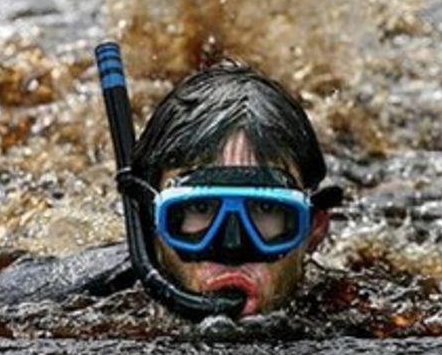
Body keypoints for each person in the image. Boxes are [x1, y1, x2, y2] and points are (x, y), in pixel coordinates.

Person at [125, 60, 340, 317]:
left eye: (265, 208)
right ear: (148, 222)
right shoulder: (79, 312)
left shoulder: (368, 314)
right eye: (200, 207)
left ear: (314, 227)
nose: (231, 248)